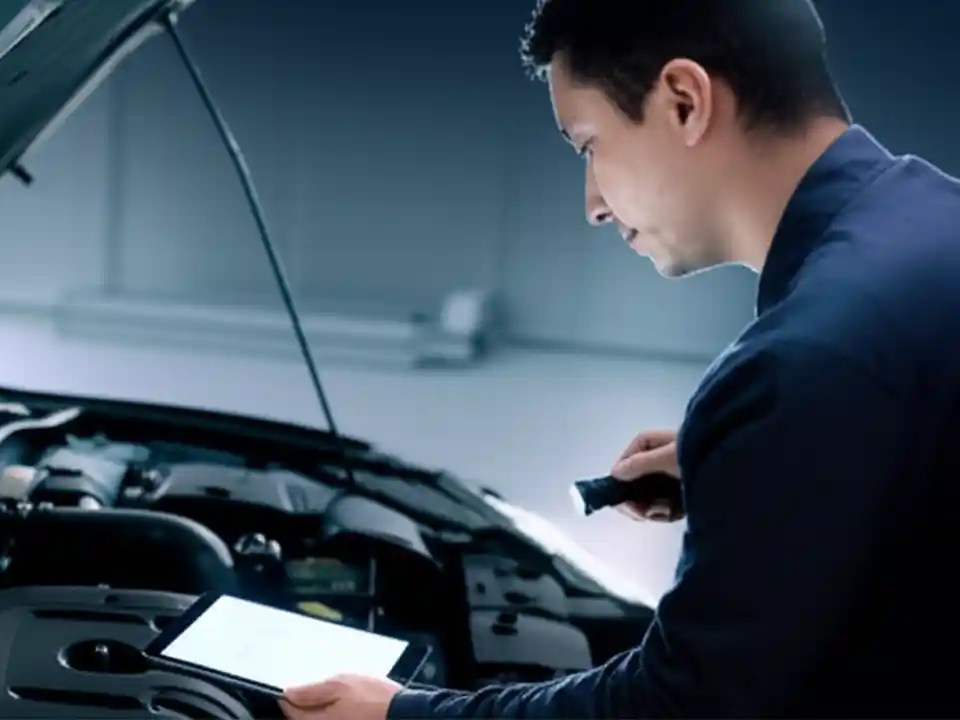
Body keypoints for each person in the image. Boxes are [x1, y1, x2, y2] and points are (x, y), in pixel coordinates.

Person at [278, 0, 960, 717]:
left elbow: (676, 706)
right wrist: (752, 471)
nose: (593, 203)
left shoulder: (805, 359)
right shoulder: (931, 222)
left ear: (684, 101)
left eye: (588, 145)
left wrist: (401, 714)